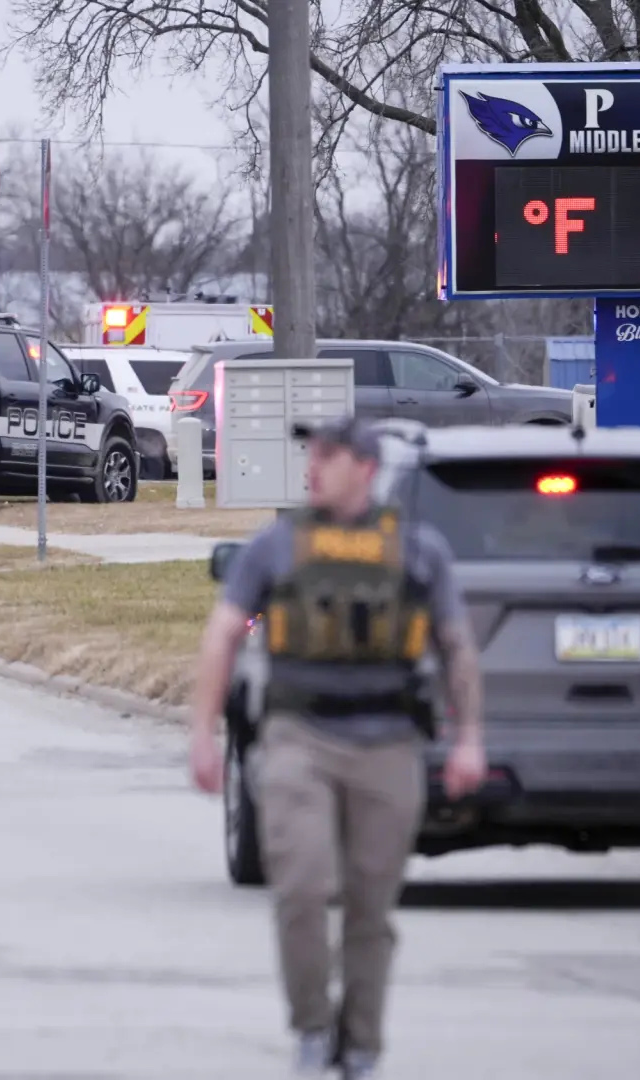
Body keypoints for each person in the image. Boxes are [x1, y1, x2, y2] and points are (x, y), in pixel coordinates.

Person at [185, 414, 489, 1079]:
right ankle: (312, 1030)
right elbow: (222, 636)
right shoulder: (276, 546)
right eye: (311, 453)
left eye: (328, 455)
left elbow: (457, 649)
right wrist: (204, 734)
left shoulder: (418, 550)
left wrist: (469, 739)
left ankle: (362, 1047)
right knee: (300, 889)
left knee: (369, 908)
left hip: (389, 745)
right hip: (299, 737)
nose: (313, 465)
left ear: (367, 469)